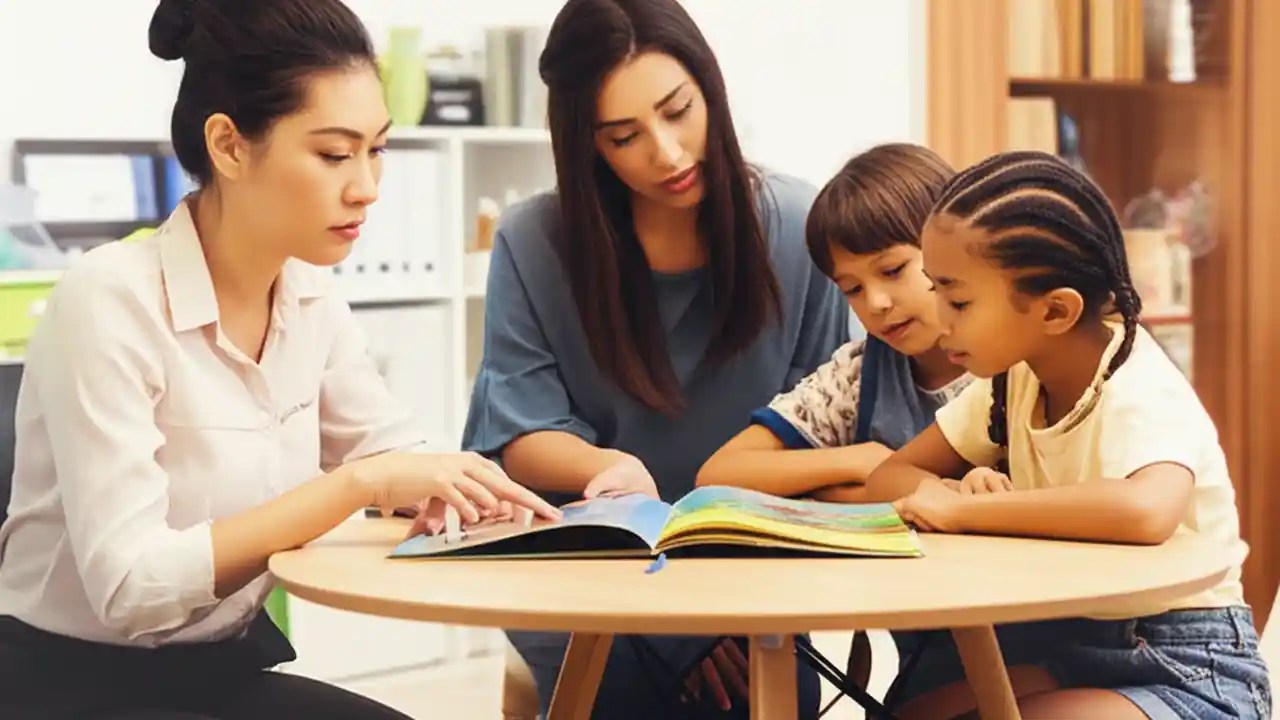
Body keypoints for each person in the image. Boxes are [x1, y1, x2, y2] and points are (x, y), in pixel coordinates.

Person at [0, 1, 559, 718]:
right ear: (230, 146)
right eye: (334, 154)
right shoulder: (107, 302)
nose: (367, 186)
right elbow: (131, 589)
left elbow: (388, 448)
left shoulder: (308, 297)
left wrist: (472, 494)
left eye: (377, 149)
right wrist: (362, 483)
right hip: (69, 686)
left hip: (216, 673)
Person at [455, 0, 849, 715]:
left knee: (757, 692)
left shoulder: (798, 228)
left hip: (753, 576)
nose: (665, 153)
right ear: (587, 145)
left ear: (710, 89)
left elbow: (824, 439)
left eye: (678, 110)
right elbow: (519, 436)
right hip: (590, 572)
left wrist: (716, 607)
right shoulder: (534, 241)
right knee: (626, 686)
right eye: (624, 136)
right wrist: (609, 472)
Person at [866, 150, 1272, 720]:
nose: (940, 316)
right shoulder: (1011, 381)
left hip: (1190, 664)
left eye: (958, 299)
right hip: (1071, 645)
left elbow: (1146, 511)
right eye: (935, 290)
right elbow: (891, 477)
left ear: (1055, 312)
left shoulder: (1135, 381)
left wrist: (965, 514)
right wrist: (960, 490)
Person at [696, 143, 971, 700]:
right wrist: (860, 461)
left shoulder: (1010, 366)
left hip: (1047, 647)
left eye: (894, 270)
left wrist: (843, 496)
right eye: (851, 288)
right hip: (930, 668)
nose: (877, 304)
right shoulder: (860, 372)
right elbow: (720, 474)